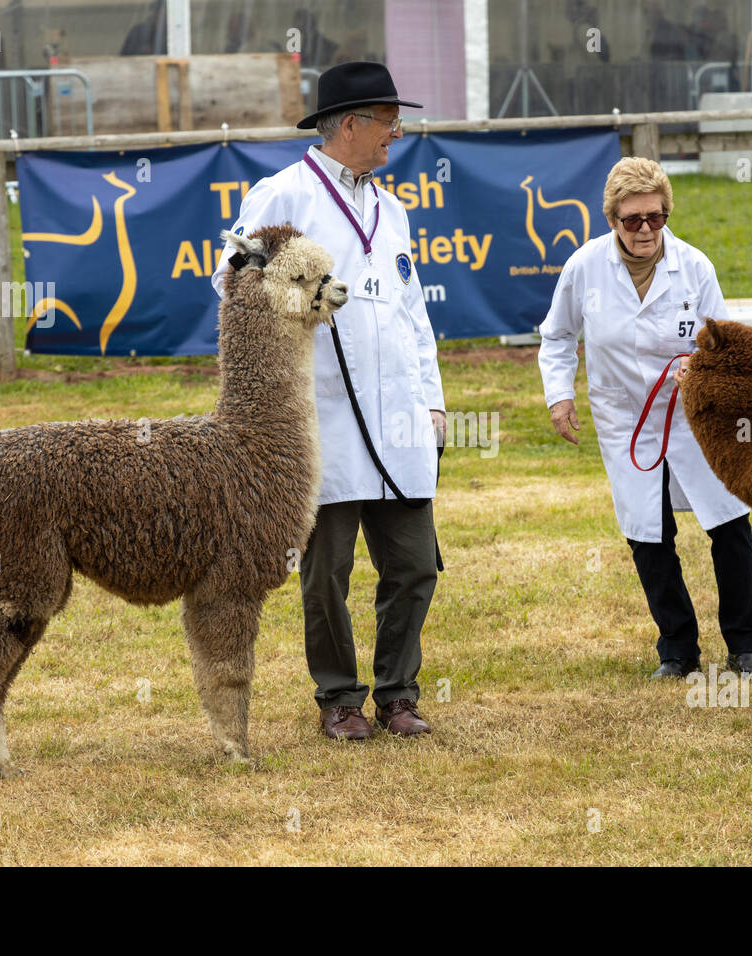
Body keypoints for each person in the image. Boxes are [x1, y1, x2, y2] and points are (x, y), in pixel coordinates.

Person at [210, 62, 445, 741]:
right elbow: (233, 285)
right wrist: (319, 302)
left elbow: (411, 312)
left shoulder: (392, 208)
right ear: (349, 123)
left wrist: (431, 396)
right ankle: (339, 698)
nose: (397, 132)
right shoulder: (282, 196)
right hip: (325, 418)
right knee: (326, 574)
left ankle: (398, 692)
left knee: (414, 564)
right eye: (388, 120)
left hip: (399, 414)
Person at [538, 156, 752, 680]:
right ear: (612, 220)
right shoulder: (584, 268)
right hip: (626, 420)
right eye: (632, 219)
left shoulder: (695, 267)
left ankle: (747, 645)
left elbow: (723, 340)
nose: (645, 229)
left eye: (655, 217)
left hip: (694, 419)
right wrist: (560, 396)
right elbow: (556, 336)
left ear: (667, 212)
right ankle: (678, 650)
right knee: (647, 532)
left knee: (729, 521)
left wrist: (702, 365)